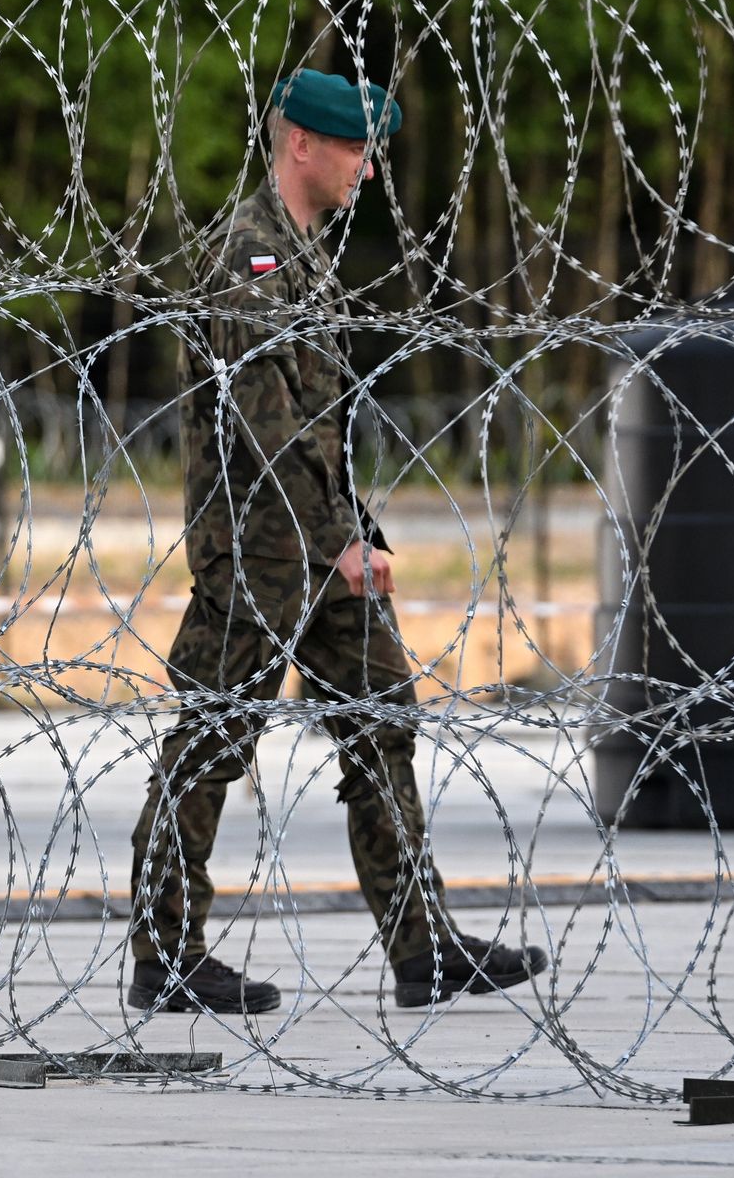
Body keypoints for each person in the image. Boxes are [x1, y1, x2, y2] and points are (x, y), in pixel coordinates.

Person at [126, 69, 548, 1015]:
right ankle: (163, 954)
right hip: (261, 550)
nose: (368, 166)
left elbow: (320, 428)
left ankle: (421, 946)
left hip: (317, 548)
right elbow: (266, 427)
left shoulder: (303, 257)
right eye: (354, 147)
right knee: (211, 740)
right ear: (300, 145)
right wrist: (336, 543)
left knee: (382, 722)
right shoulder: (250, 256)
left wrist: (356, 533)